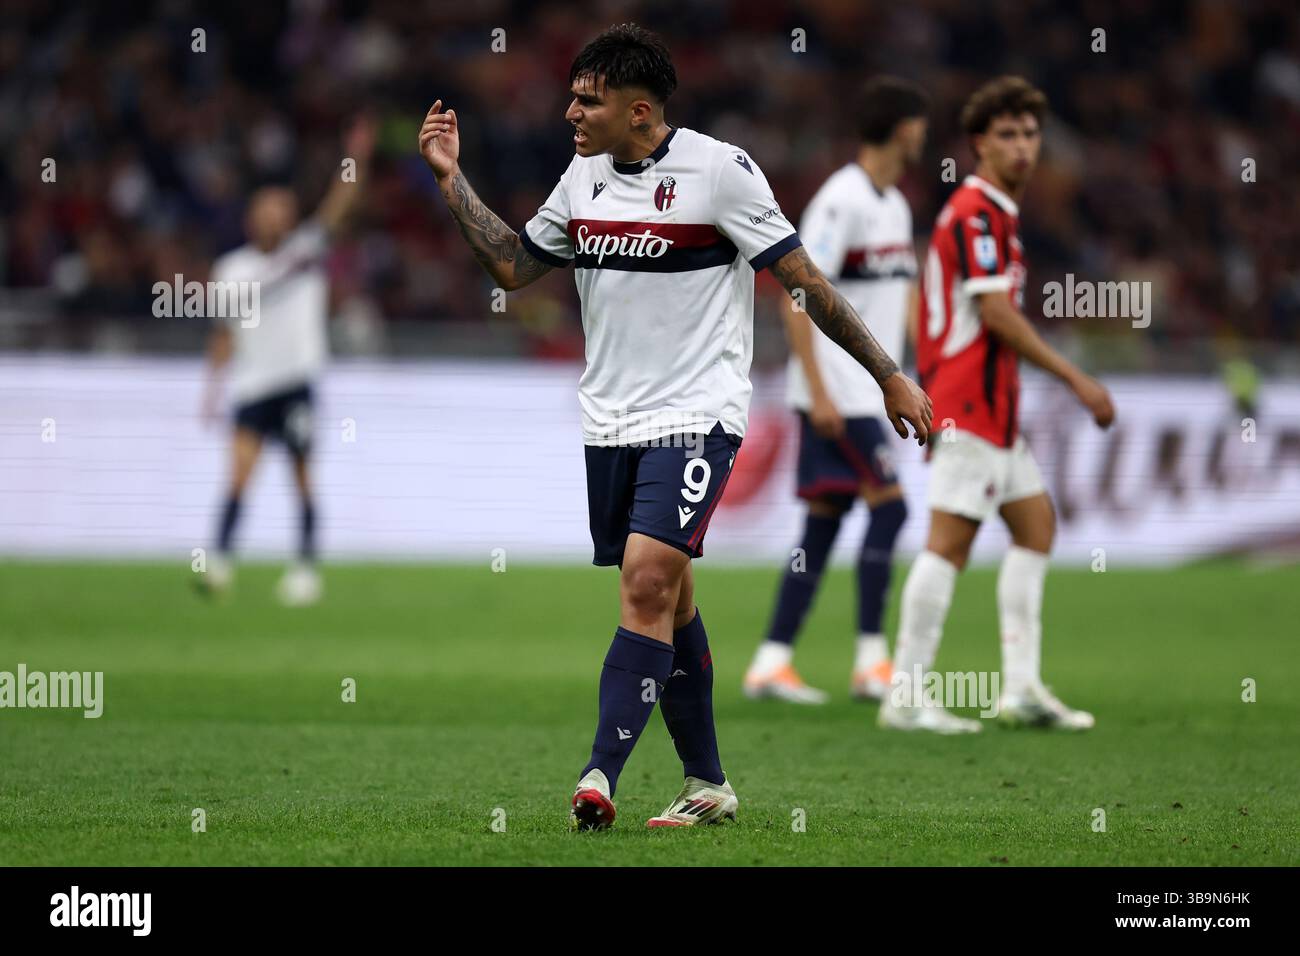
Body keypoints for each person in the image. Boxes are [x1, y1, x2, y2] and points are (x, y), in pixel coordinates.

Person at [418, 24, 931, 827]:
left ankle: (599, 776)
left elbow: (806, 284)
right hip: (610, 421)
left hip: (698, 415)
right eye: (573, 97)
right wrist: (451, 182)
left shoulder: (720, 172)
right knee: (675, 599)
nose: (570, 114)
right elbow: (515, 266)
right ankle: (709, 783)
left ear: (641, 110)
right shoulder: (582, 175)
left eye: (589, 100)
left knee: (645, 581)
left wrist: (889, 373)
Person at [882, 77, 1114, 734]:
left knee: (1036, 525)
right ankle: (905, 695)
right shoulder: (977, 212)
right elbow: (995, 315)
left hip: (994, 412)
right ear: (980, 143)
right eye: (1006, 134)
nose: (1022, 146)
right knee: (949, 542)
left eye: (1030, 133)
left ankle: (1021, 688)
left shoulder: (997, 215)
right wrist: (1077, 378)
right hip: (967, 405)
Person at [745, 77, 929, 705]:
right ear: (903, 128)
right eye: (919, 123)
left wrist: (912, 368)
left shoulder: (896, 206)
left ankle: (772, 660)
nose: (924, 135)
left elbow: (898, 297)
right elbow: (796, 295)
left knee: (824, 523)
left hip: (869, 387)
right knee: (893, 508)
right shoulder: (840, 200)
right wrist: (816, 391)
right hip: (841, 393)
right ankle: (873, 660)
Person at [199, 118, 376, 605]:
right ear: (251, 218)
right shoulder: (230, 269)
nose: (274, 217)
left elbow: (340, 206)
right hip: (253, 386)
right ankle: (218, 563)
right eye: (266, 210)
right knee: (238, 475)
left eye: (281, 210)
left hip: (295, 382)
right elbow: (223, 335)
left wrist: (356, 157)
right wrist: (212, 389)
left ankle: (304, 568)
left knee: (300, 477)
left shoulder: (306, 251)